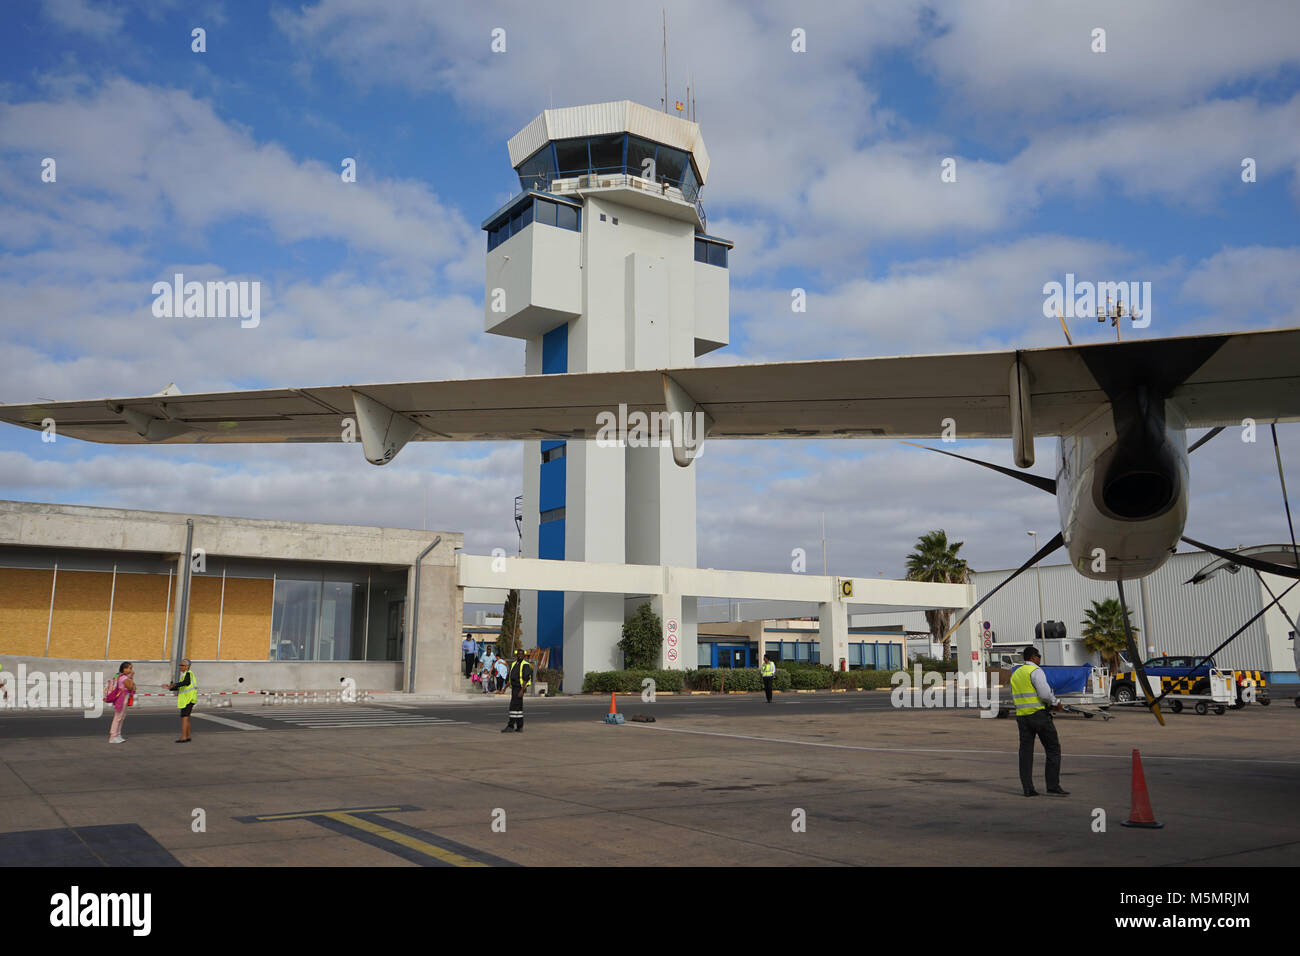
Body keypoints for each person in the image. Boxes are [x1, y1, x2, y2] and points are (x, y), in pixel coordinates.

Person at [1010, 646, 1067, 796]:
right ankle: (1053, 785)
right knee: (1053, 749)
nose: (1040, 659)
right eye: (1039, 656)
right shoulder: (1035, 671)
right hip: (1038, 715)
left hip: (1022, 717)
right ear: (1033, 657)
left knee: (1026, 753)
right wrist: (1056, 702)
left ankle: (1028, 788)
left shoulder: (1016, 673)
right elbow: (1044, 694)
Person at [501, 649, 533, 733]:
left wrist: (522, 690)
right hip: (514, 688)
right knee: (518, 709)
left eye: (521, 654)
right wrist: (504, 689)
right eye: (518, 654)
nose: (519, 656)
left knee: (513, 707)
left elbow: (526, 678)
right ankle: (519, 726)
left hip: (519, 688)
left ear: (524, 656)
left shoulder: (525, 664)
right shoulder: (514, 664)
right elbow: (510, 677)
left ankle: (510, 726)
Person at [166, 659, 197, 743]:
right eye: (180, 665)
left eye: (182, 665)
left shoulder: (188, 674)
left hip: (188, 699)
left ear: (187, 666)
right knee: (186, 718)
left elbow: (186, 683)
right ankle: (188, 736)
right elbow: (181, 686)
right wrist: (170, 687)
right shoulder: (185, 675)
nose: (180, 666)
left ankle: (184, 737)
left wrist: (175, 684)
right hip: (188, 700)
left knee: (184, 718)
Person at [106, 661, 136, 743]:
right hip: (121, 699)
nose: (131, 670)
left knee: (121, 717)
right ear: (124, 669)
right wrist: (132, 677)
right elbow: (130, 687)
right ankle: (113, 736)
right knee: (118, 718)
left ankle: (118, 734)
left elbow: (134, 688)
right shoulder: (123, 678)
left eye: (131, 668)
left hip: (125, 698)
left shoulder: (125, 677)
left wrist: (131, 681)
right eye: (130, 668)